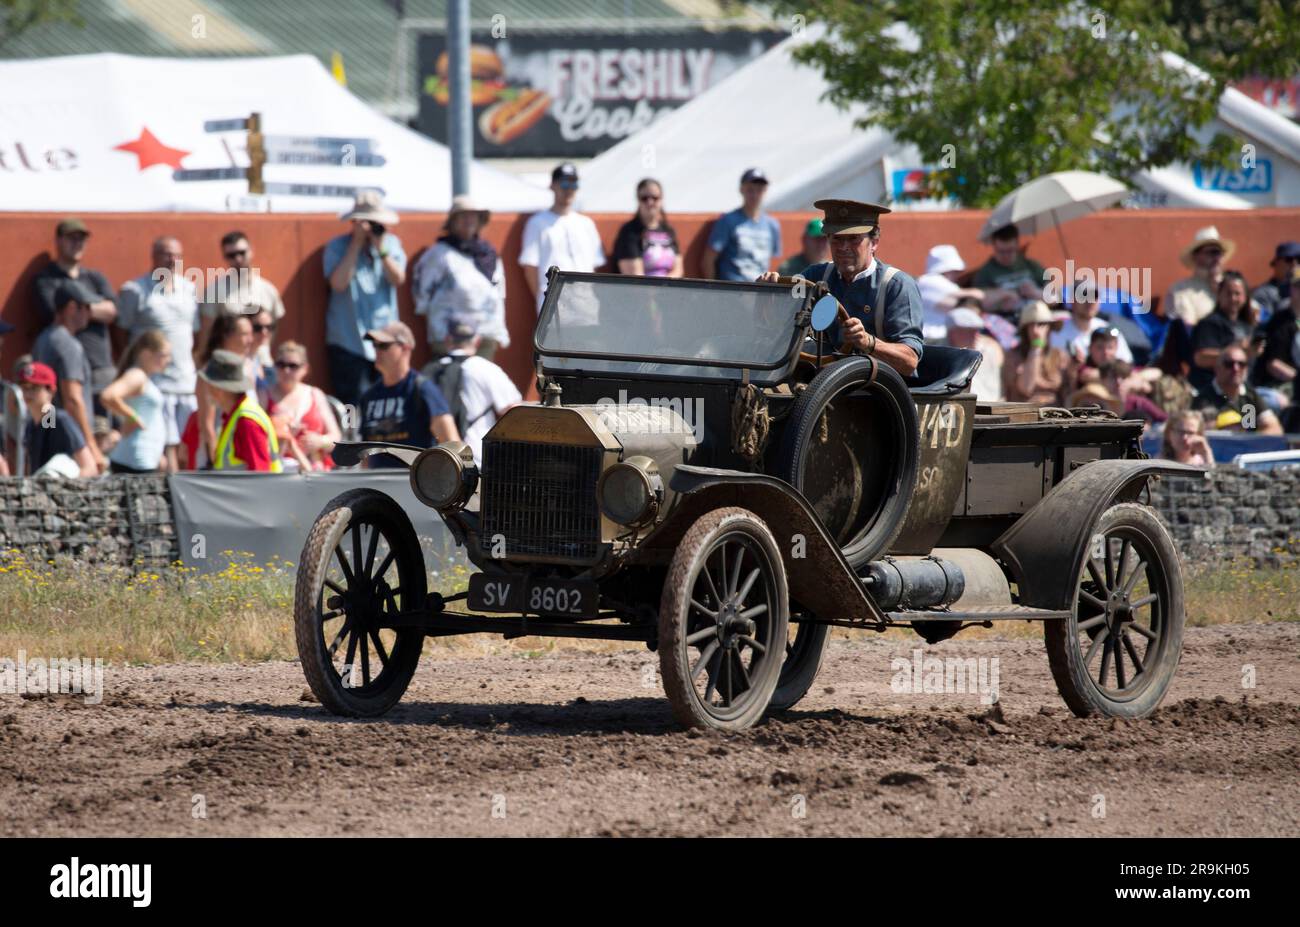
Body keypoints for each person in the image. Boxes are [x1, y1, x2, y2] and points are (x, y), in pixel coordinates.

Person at [759, 199, 923, 376]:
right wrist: (769, 295)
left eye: (854, 239)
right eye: (837, 239)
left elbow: (910, 361)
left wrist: (869, 342)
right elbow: (778, 326)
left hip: (880, 393)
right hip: (824, 386)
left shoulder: (896, 286)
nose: (844, 248)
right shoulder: (815, 276)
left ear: (874, 242)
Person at [118, 235, 200, 472]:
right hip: (153, 384)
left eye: (176, 255)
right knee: (162, 449)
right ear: (153, 256)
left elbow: (193, 336)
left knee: (187, 446)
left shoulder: (190, 289)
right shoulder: (135, 290)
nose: (172, 259)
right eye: (166, 253)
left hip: (185, 382)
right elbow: (121, 334)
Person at [324, 190, 407, 408]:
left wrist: (381, 249)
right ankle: (354, 443)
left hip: (384, 340)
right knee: (353, 406)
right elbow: (338, 283)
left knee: (385, 404)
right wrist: (356, 244)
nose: (373, 227)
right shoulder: (337, 247)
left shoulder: (391, 244)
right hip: (349, 341)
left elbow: (398, 278)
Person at [32, 218, 118, 410]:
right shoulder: (46, 279)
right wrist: (88, 440)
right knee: (67, 419)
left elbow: (112, 311)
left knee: (99, 426)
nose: (78, 243)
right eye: (72, 238)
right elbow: (72, 401)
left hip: (99, 369)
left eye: (82, 239)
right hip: (66, 376)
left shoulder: (94, 277)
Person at [413, 194, 510, 362]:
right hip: (449, 336)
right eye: (463, 216)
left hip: (485, 333)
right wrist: (440, 329)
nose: (469, 220)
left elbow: (499, 292)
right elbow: (422, 297)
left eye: (473, 216)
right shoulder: (439, 254)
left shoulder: (489, 254)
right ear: (452, 221)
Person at [358, 321, 459, 468]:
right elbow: (365, 453)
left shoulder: (423, 390)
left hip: (413, 485)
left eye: (384, 345)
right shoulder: (369, 397)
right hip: (376, 485)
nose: (377, 351)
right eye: (375, 345)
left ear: (405, 348)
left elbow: (452, 444)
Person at [425, 315, 521, 466]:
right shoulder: (487, 369)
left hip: (433, 463)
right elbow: (515, 412)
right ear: (477, 341)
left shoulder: (429, 371)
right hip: (477, 460)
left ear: (447, 340)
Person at [33, 282, 103, 473]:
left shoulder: (44, 339)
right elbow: (72, 399)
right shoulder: (67, 344)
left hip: (47, 433)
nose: (90, 313)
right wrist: (91, 448)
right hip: (70, 443)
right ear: (72, 307)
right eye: (87, 307)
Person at [519, 163, 605, 314]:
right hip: (554, 306)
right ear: (552, 185)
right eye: (564, 183)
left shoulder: (586, 223)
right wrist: (545, 298)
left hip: (586, 304)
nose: (569, 189)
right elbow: (530, 267)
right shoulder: (537, 223)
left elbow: (594, 265)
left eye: (574, 184)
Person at [196, 230, 286, 371]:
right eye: (231, 255)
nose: (238, 259)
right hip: (230, 366)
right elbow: (206, 335)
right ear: (225, 257)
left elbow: (275, 329)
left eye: (242, 253)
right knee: (244, 395)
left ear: (251, 251)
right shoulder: (215, 291)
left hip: (263, 364)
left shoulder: (268, 290)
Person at [186, 313, 256, 469]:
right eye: (244, 334)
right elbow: (207, 425)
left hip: (243, 453)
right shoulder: (209, 374)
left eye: (252, 333)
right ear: (226, 336)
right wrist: (214, 463)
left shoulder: (250, 366)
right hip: (218, 455)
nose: (250, 340)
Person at [98, 331, 170, 474]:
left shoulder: (144, 378)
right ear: (146, 354)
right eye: (164, 355)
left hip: (144, 458)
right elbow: (108, 396)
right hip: (136, 460)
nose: (168, 360)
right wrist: (133, 417)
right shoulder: (137, 375)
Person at [199, 350, 283, 472]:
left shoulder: (246, 422)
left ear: (217, 389)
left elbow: (261, 475)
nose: (205, 390)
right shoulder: (236, 415)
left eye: (207, 385)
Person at [266, 341, 342, 472]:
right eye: (281, 365)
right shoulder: (265, 395)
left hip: (313, 468)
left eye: (293, 366)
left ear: (305, 369)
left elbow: (336, 437)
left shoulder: (315, 394)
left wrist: (319, 441)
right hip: (277, 468)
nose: (286, 370)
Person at [17, 362, 96, 477]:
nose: (28, 393)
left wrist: (66, 489)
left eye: (34, 388)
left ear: (51, 391)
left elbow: (90, 467)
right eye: (24, 388)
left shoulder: (59, 420)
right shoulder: (31, 424)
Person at [703, 168, 782, 282]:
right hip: (734, 289)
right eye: (750, 189)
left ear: (765, 191)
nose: (754, 195)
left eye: (759, 190)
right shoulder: (728, 220)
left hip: (761, 291)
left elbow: (773, 263)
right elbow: (708, 260)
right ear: (741, 190)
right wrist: (713, 290)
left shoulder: (772, 225)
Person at [1191, 345, 1283, 436]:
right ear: (1217, 368)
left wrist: (1250, 442)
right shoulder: (1204, 398)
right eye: (1229, 364)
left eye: (1241, 364)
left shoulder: (1250, 395)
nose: (1236, 369)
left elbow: (1275, 429)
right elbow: (1202, 433)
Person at [1190, 271, 1255, 395]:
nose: (1233, 298)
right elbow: (1200, 358)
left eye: (1237, 294)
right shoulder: (1209, 323)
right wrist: (1238, 351)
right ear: (1219, 295)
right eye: (1228, 293)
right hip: (1213, 389)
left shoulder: (1247, 326)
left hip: (1244, 389)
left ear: (1245, 297)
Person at [613, 178, 683, 278]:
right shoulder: (630, 232)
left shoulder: (669, 230)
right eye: (644, 198)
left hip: (669, 289)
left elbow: (678, 270)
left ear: (661, 199)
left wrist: (667, 288)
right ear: (638, 200)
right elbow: (634, 276)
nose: (650, 202)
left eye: (655, 198)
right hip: (642, 291)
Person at [1002, 301, 1069, 405]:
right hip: (1024, 415)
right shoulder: (1013, 356)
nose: (1036, 330)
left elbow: (1068, 392)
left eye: (1042, 324)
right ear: (1025, 330)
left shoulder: (1059, 355)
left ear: (1049, 328)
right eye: (1031, 325)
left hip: (1055, 414)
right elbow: (1026, 388)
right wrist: (1036, 348)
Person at [971, 224, 1047, 314]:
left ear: (1017, 245)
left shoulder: (1031, 265)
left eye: (1010, 250)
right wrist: (1002, 296)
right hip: (1006, 320)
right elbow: (979, 302)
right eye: (1001, 251)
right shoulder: (985, 273)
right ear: (994, 247)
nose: (1006, 256)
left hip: (1035, 317)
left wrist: (1035, 292)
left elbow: (1055, 298)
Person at [1164, 226, 1232, 327]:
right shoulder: (1180, 290)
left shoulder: (1233, 285)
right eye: (1212, 252)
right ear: (1196, 256)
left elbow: (1253, 315)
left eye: (1220, 252)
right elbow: (1188, 330)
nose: (1217, 258)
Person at [1053, 280, 1134, 364]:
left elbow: (1126, 363)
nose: (1090, 302)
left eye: (1094, 296)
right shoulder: (1058, 332)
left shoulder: (1109, 329)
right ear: (1072, 300)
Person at [917, 244, 985, 342]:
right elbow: (970, 297)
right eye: (954, 271)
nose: (957, 275)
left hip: (943, 340)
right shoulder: (930, 280)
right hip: (932, 340)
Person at [945, 305, 1003, 401]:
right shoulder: (942, 355)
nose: (976, 335)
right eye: (969, 331)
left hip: (989, 406)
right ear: (953, 333)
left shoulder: (989, 351)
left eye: (977, 330)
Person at [1251, 241, 1299, 323]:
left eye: (1299, 260)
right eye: (1289, 259)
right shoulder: (1263, 293)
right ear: (1276, 262)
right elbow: (1264, 324)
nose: (1294, 264)